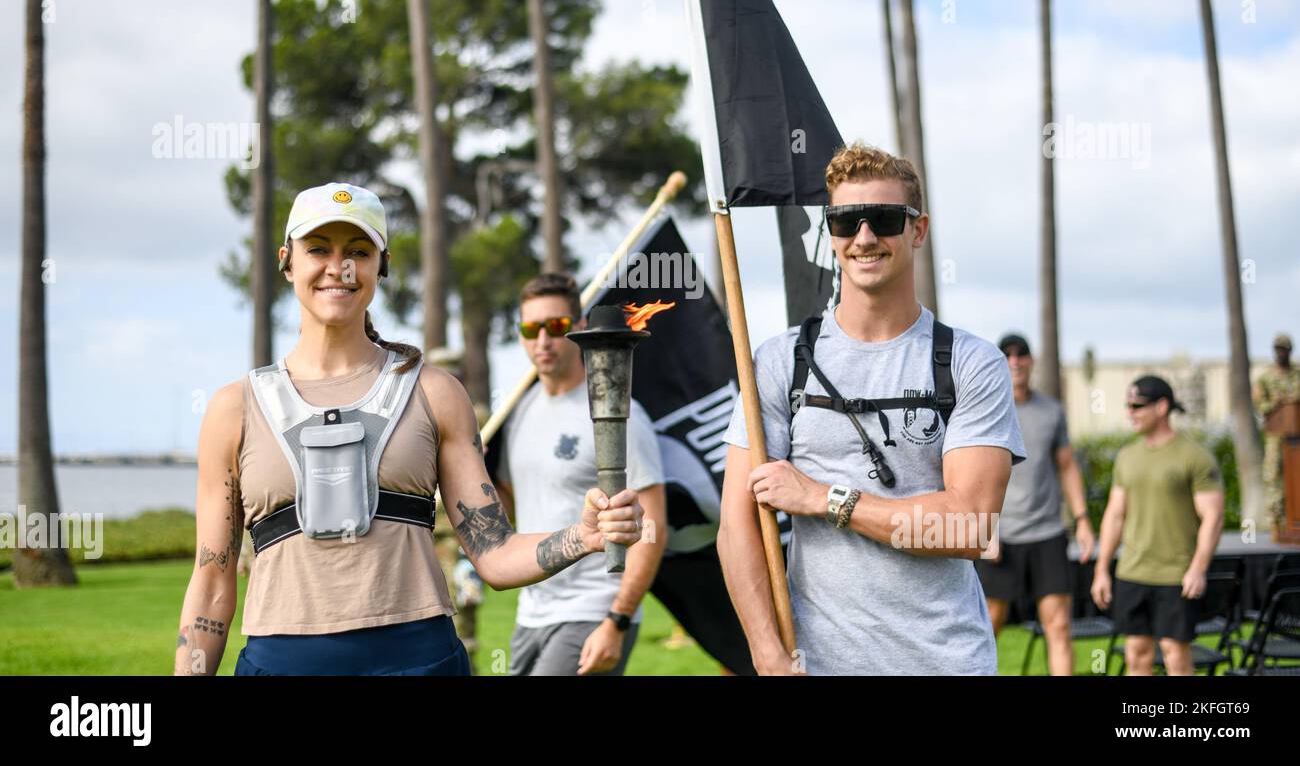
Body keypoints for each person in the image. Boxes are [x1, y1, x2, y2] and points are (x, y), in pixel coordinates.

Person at [174, 183, 642, 676]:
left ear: (383, 265)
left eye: (358, 251)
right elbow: (211, 582)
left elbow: (495, 554)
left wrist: (583, 535)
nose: (340, 268)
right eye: (319, 250)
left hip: (418, 661)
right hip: (282, 662)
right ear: (287, 261)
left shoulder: (435, 393)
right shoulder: (235, 408)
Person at [718, 143, 1026, 676]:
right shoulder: (776, 361)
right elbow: (736, 525)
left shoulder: (972, 363)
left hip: (948, 662)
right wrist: (766, 653)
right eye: (844, 221)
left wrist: (824, 498)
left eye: (883, 219)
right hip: (819, 664)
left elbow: (971, 526)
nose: (864, 237)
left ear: (918, 230)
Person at [494, 273, 668, 676]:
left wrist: (617, 620)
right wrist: (475, 465)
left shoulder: (621, 412)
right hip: (531, 610)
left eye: (556, 327)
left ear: (580, 329)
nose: (542, 341)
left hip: (593, 608)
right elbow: (511, 508)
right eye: (530, 328)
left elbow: (653, 526)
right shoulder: (517, 411)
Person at [976, 333, 1096, 676]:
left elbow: (1067, 466)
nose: (1015, 361)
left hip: (1047, 533)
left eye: (1022, 355)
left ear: (1031, 362)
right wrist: (986, 529)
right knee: (986, 630)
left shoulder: (1052, 412)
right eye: (1008, 355)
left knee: (1058, 627)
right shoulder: (985, 408)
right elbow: (968, 473)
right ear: (1000, 361)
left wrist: (1083, 519)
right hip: (1001, 537)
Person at [1091, 375, 1224, 676]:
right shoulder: (1126, 457)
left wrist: (1198, 569)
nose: (1130, 413)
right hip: (1132, 572)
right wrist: (1101, 570)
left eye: (1137, 406)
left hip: (1176, 574)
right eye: (1128, 406)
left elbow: (1213, 517)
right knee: (1136, 655)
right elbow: (1114, 515)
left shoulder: (1195, 456)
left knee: (1174, 654)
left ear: (1162, 407)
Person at [1253, 333, 1300, 539]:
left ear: (1290, 350)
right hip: (1276, 435)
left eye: (1285, 348)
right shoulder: (1265, 378)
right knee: (1273, 477)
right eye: (1278, 349)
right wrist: (1277, 403)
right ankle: (1276, 523)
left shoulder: (1298, 374)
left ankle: (1295, 521)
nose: (1281, 352)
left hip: (1297, 436)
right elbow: (1260, 406)